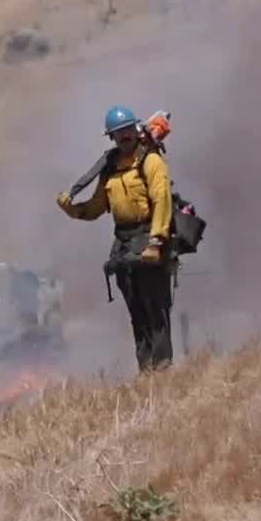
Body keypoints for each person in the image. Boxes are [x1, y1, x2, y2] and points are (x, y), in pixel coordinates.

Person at [56, 105, 175, 373]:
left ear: (136, 129)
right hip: (123, 244)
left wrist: (157, 241)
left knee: (156, 307)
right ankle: (146, 370)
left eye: (127, 130)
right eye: (117, 133)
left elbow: (161, 200)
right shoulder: (110, 168)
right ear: (111, 137)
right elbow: (97, 207)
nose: (124, 136)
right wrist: (73, 210)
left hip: (149, 235)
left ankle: (164, 368)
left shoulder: (151, 161)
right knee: (136, 311)